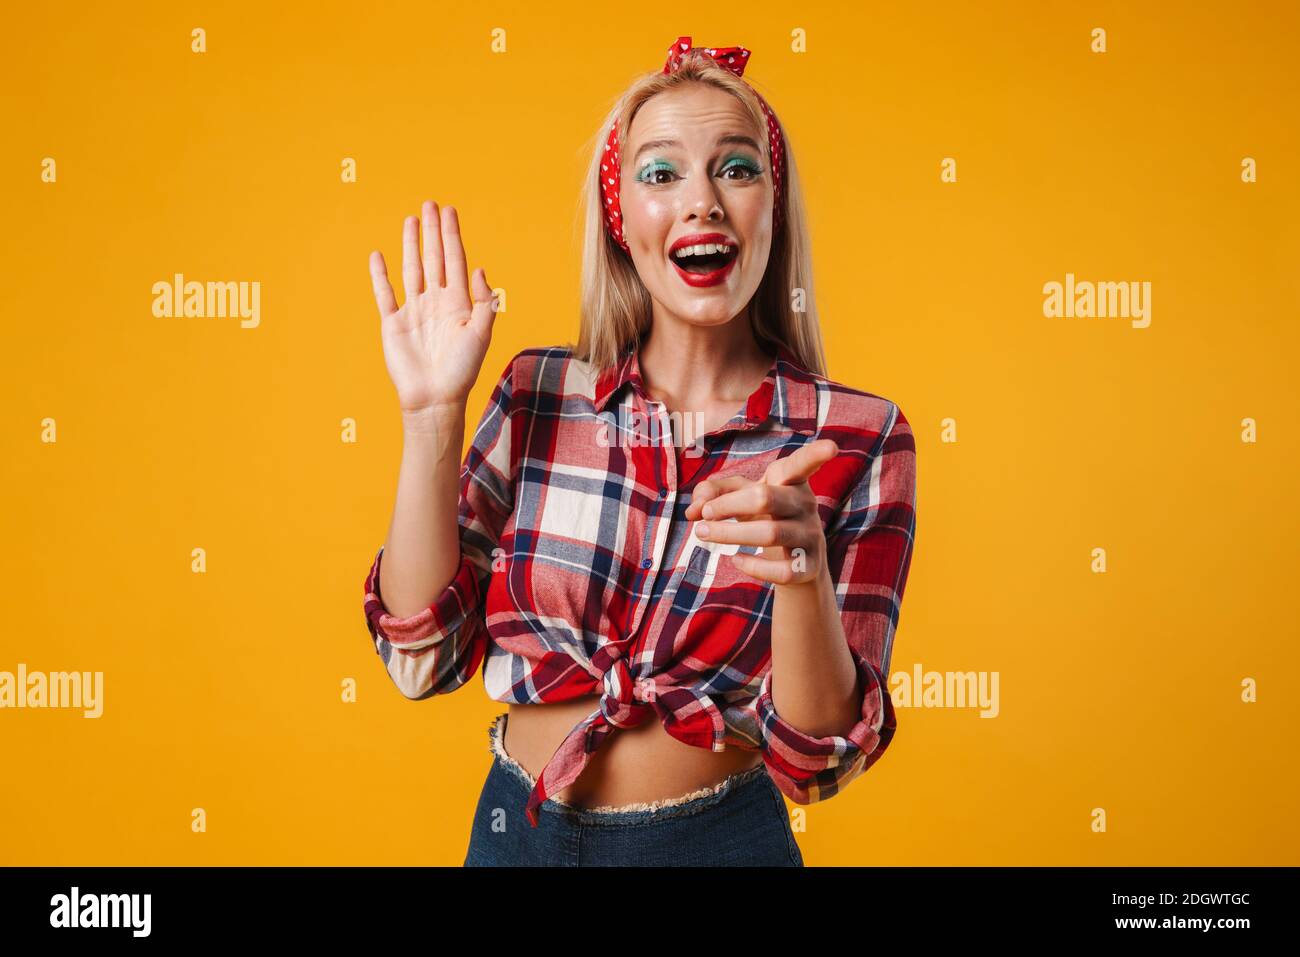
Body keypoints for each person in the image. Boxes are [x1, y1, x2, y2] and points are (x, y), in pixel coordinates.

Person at [362, 35, 917, 867]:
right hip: (519, 834)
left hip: (720, 847)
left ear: (774, 204)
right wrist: (432, 416)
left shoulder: (858, 436)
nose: (703, 202)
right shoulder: (538, 391)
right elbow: (419, 653)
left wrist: (801, 570)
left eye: (736, 168)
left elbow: (816, 758)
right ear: (623, 221)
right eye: (662, 174)